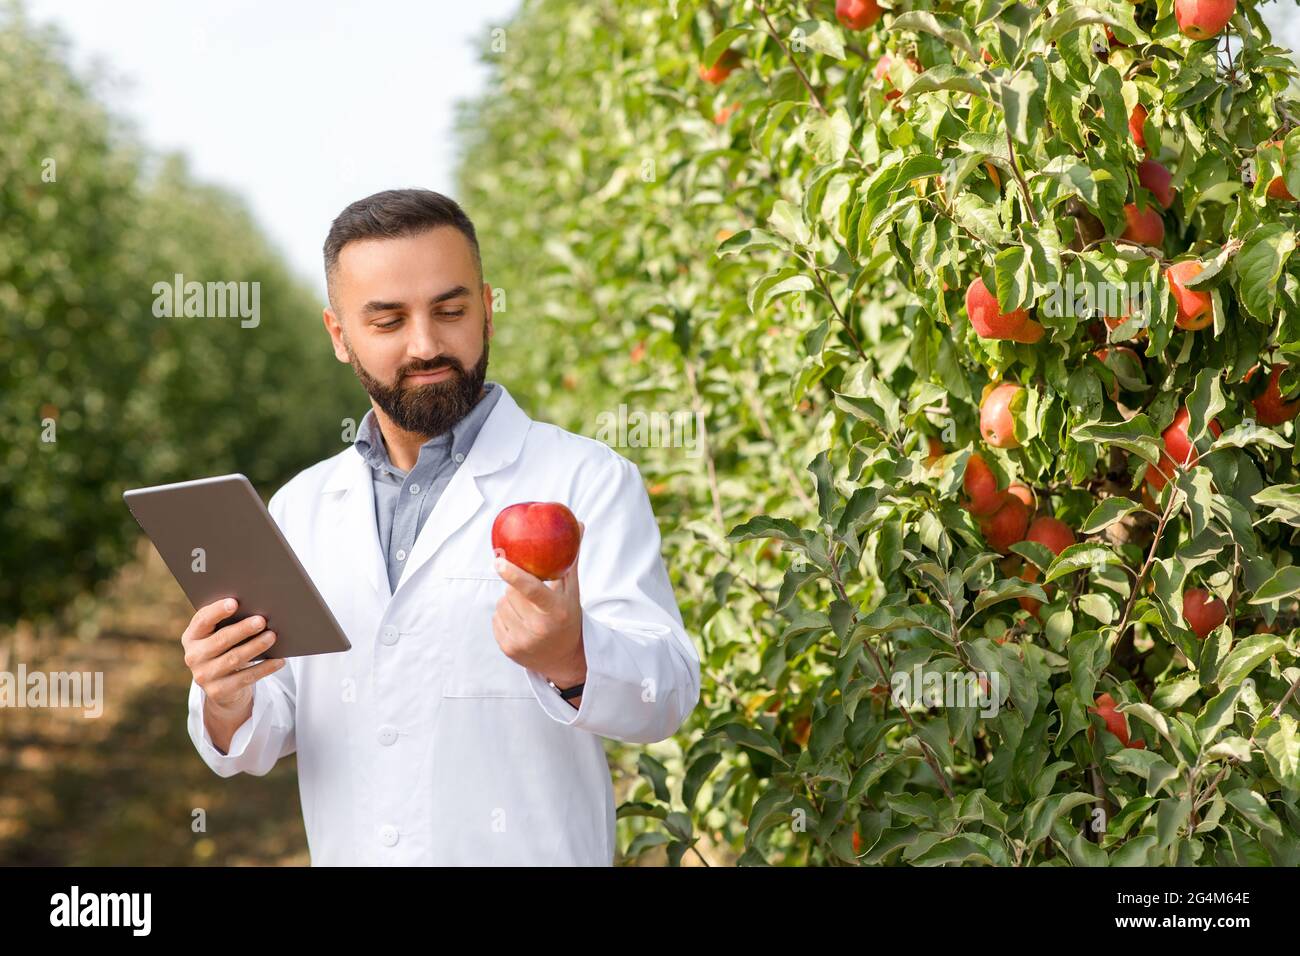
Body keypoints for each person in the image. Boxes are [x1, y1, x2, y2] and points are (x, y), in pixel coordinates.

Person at [181, 189, 700, 865]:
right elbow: (270, 727)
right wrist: (226, 697)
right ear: (340, 337)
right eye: (388, 321)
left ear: (487, 310)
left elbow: (668, 693)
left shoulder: (585, 480)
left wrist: (571, 656)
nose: (426, 344)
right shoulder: (302, 509)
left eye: (450, 311)